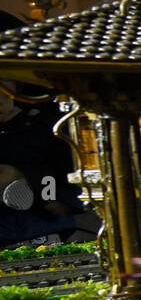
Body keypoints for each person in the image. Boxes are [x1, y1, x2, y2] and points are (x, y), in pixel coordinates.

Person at [0, 78, 88, 247]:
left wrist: (64, 201)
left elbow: (73, 167)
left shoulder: (46, 125)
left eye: (4, 96)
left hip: (44, 225)